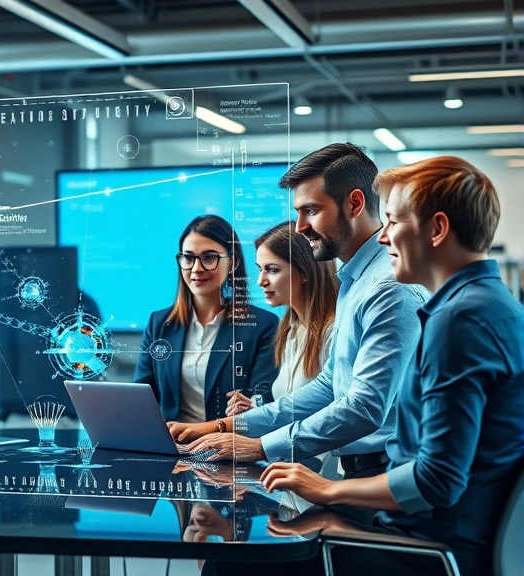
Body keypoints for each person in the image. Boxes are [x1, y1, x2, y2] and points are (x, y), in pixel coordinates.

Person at [227, 157, 524, 576]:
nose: (382, 237)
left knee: (242, 562)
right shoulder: (492, 305)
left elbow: (436, 480)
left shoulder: (459, 320)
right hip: (428, 532)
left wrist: (329, 490)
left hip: (427, 549)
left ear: (437, 229)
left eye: (393, 222)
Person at [174, 144, 428, 484]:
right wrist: (218, 427)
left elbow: (365, 408)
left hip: (386, 474)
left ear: (354, 204)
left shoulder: (387, 286)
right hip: (361, 469)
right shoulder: (355, 279)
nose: (299, 227)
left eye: (310, 210)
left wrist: (260, 447)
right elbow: (329, 387)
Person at [134, 214, 280, 424]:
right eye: (188, 257)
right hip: (171, 448)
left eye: (209, 257)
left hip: (229, 447)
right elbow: (141, 397)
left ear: (232, 261)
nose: (196, 269)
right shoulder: (159, 323)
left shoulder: (262, 326)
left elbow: (263, 401)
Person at [225, 222, 339, 417]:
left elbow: (334, 414)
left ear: (304, 271)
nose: (261, 281)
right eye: (260, 269)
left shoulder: (334, 332)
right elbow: (291, 408)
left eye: (272, 270)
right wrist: (256, 408)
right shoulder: (290, 330)